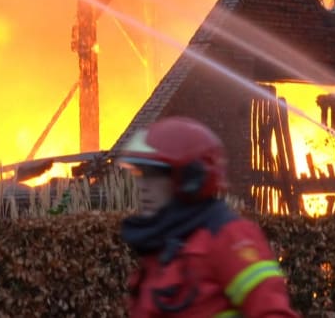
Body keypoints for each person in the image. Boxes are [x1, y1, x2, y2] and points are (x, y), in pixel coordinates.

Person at [117, 117, 300, 317]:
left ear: (190, 179)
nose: (143, 186)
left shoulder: (229, 238)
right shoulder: (161, 249)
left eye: (155, 174)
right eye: (141, 174)